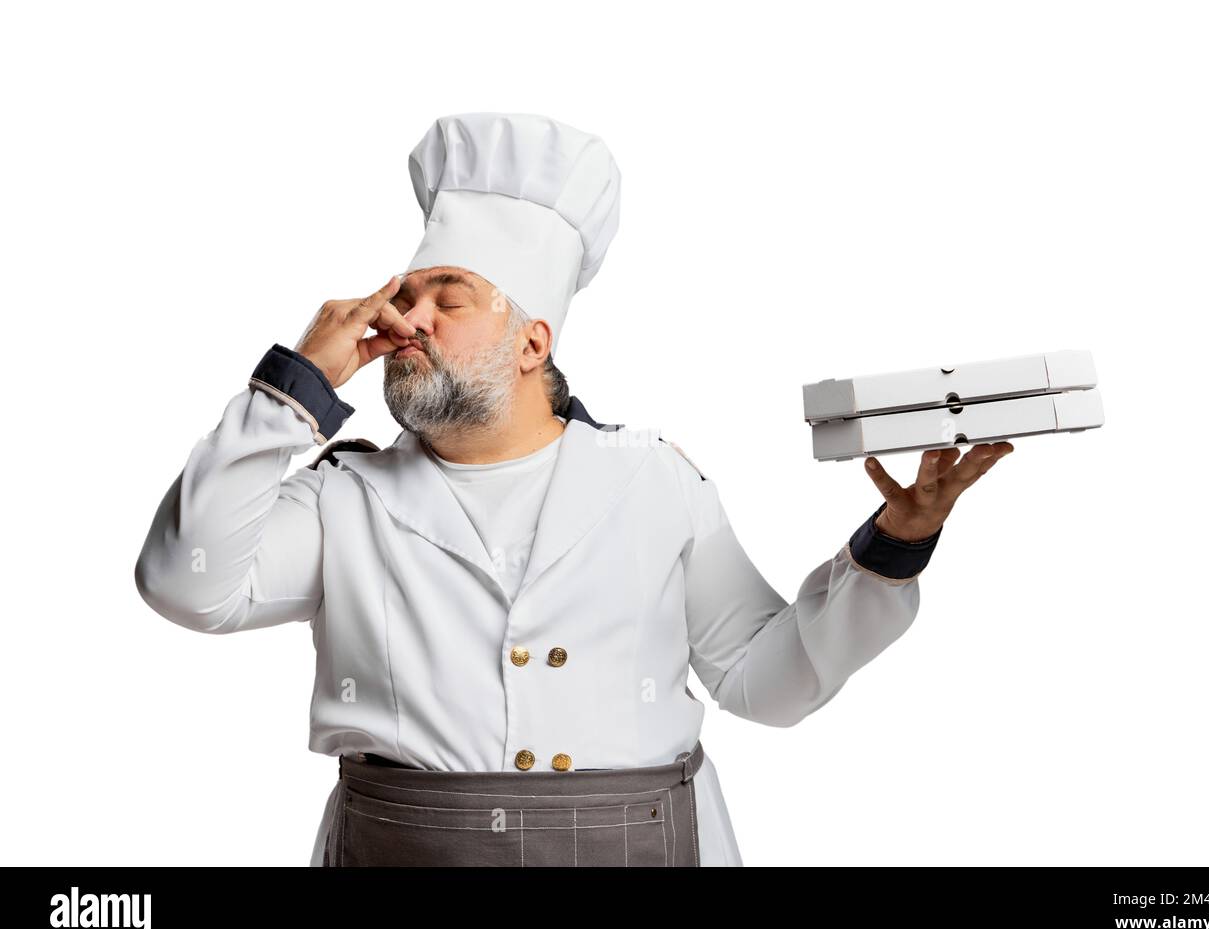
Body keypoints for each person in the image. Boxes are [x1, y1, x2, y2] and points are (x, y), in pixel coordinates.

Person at [134, 111, 1013, 866]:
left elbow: (766, 681)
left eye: (450, 296)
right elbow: (187, 583)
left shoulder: (651, 478)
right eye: (406, 295)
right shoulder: (342, 497)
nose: (409, 318)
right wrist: (293, 390)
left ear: (531, 343)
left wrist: (895, 543)